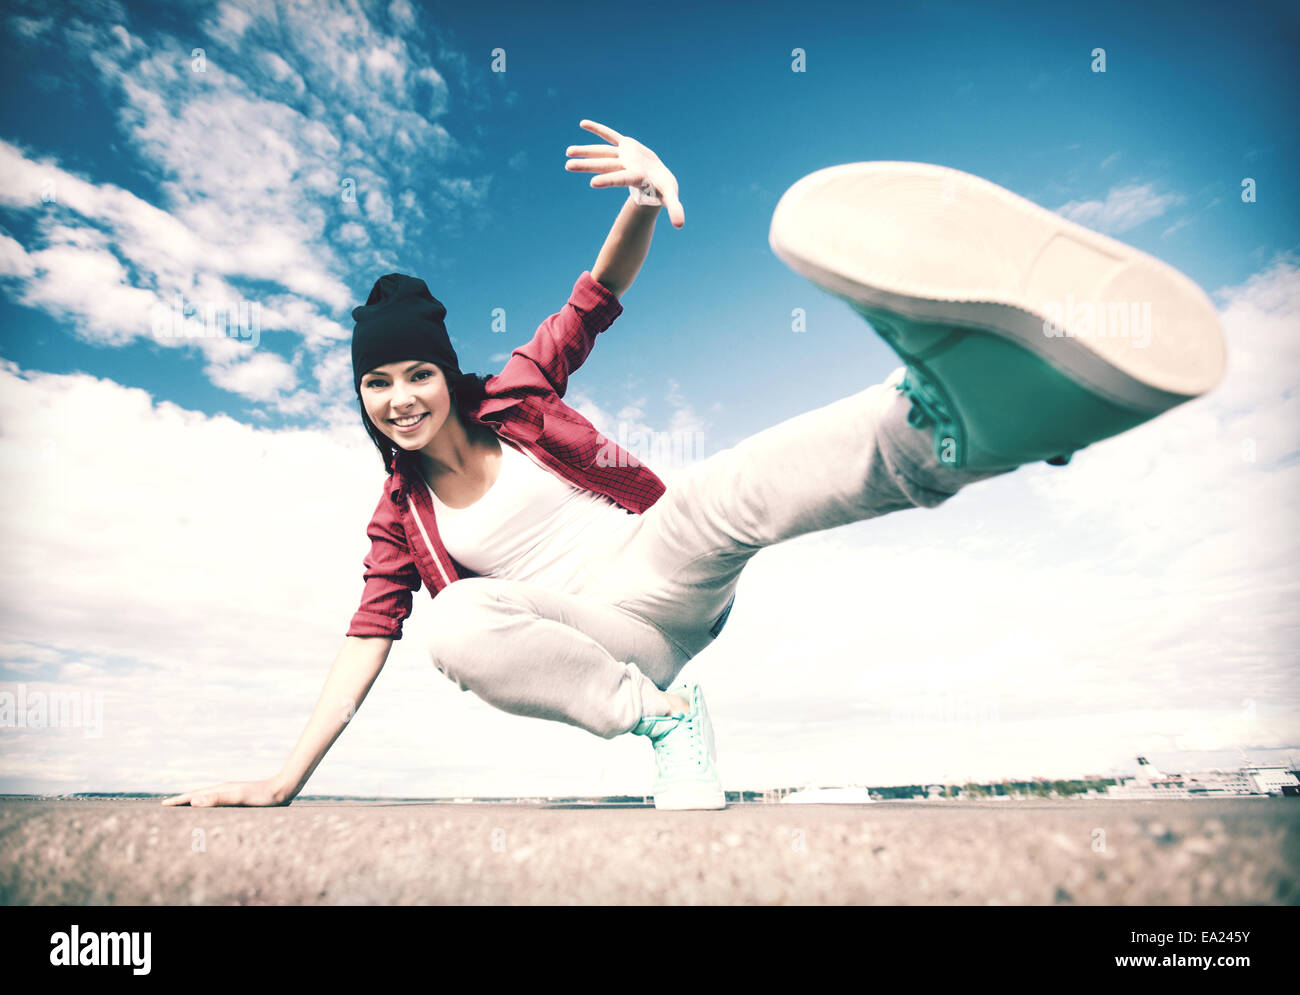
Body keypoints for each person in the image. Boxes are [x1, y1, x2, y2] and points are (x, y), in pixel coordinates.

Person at [163, 121, 1226, 812]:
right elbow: (365, 642)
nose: (396, 396)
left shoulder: (519, 395)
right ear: (362, 398)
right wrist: (283, 779)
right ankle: (667, 724)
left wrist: (641, 194)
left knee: (723, 489)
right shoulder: (398, 519)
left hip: (662, 563)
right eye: (374, 382)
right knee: (449, 621)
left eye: (413, 372)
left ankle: (957, 420)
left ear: (446, 372)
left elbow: (593, 298)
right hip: (602, 644)